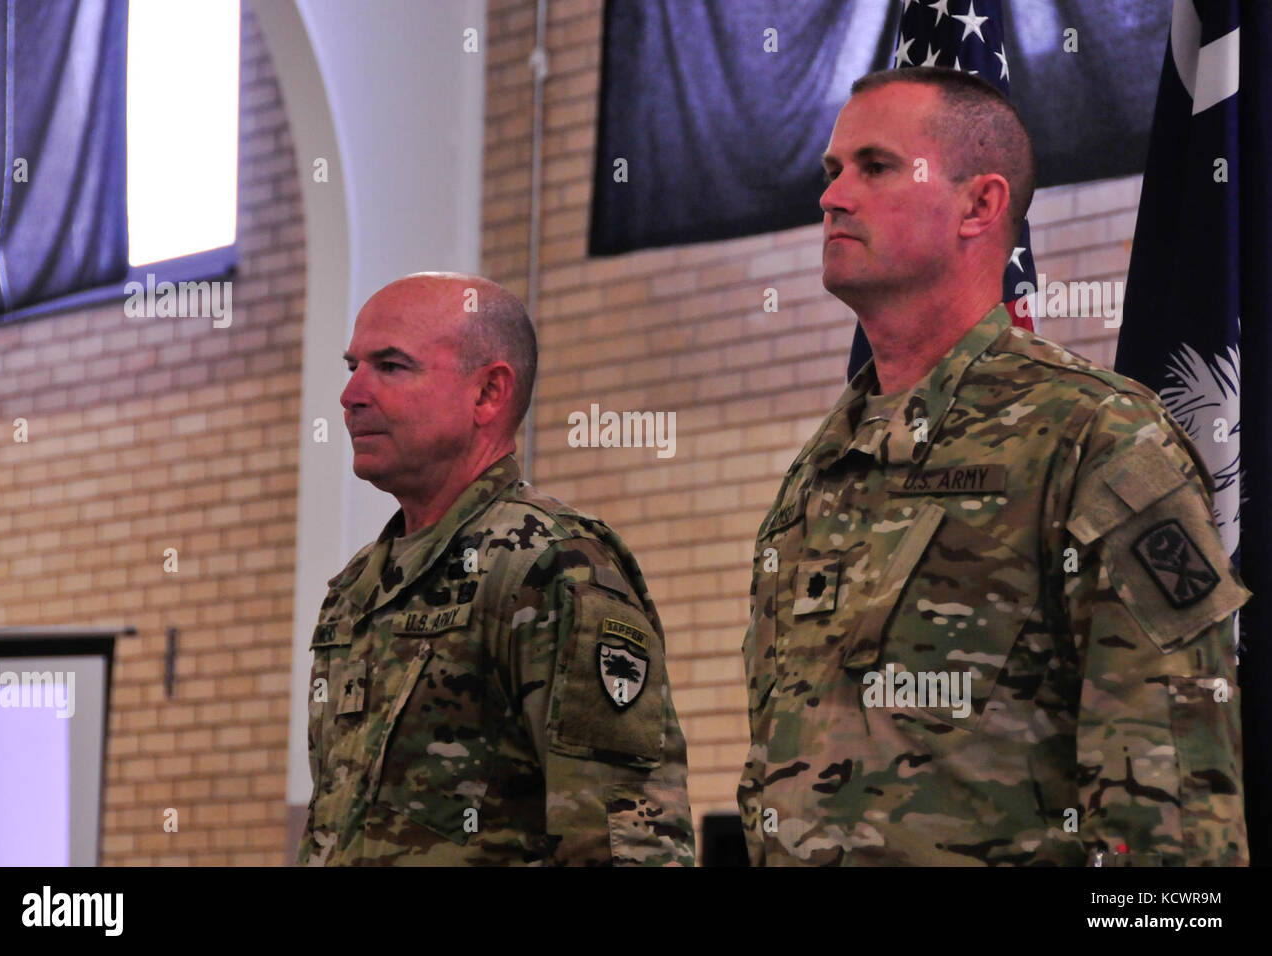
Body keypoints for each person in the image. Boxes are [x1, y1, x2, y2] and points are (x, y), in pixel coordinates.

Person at [737, 67, 1250, 866]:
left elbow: (1173, 796)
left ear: (980, 205)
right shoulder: (821, 471)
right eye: (832, 173)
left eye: (874, 167)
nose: (832, 198)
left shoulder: (1098, 436)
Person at [297, 273, 694, 865]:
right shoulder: (356, 591)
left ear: (488, 394)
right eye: (352, 365)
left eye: (390, 366)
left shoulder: (551, 565)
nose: (351, 394)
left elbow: (624, 845)